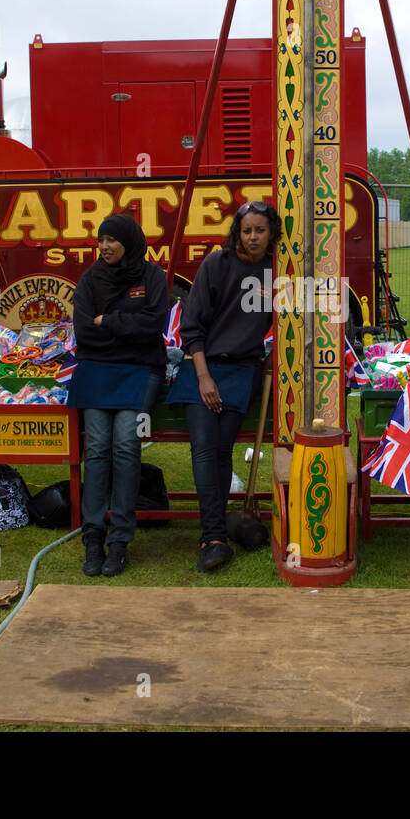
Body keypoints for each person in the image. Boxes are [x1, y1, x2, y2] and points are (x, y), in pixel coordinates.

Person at [168, 201, 281, 572]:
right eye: (246, 230)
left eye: (259, 230)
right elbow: (191, 327)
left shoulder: (276, 271)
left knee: (222, 450)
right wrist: (203, 378)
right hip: (202, 365)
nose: (252, 237)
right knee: (203, 448)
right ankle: (213, 537)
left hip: (241, 369)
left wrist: (271, 354)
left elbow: (290, 319)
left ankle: (218, 530)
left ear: (271, 234)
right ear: (237, 232)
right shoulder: (216, 264)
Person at [70, 214, 169, 577]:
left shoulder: (151, 276)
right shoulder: (90, 279)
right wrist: (125, 328)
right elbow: (83, 330)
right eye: (100, 241)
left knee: (126, 444)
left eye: (111, 240)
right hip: (96, 370)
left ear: (130, 243)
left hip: (141, 370)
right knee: (97, 448)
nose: (104, 247)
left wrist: (108, 322)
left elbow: (153, 325)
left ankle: (120, 541)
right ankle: (93, 537)